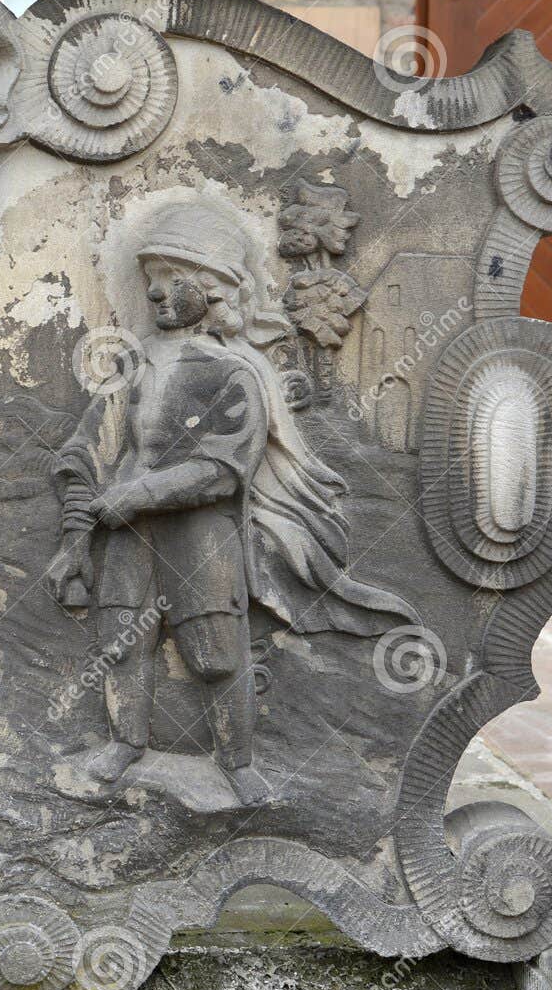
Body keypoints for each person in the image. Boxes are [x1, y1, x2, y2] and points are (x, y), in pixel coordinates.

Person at [48, 201, 419, 795]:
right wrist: (74, 538)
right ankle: (125, 743)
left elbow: (223, 469)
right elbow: (85, 449)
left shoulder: (234, 374)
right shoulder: (133, 364)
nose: (159, 294)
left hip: (202, 532)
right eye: (152, 281)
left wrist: (138, 493)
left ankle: (238, 761)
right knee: (122, 644)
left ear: (217, 289)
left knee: (216, 652)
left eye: (176, 280)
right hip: (124, 533)